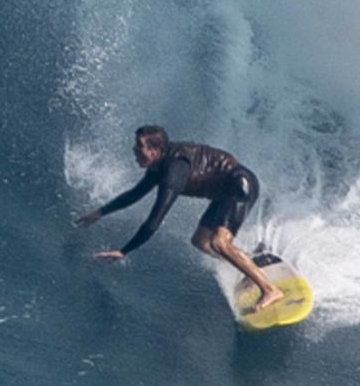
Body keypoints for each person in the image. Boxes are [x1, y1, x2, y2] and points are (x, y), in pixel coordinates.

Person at [77, 127, 277, 310]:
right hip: (225, 192)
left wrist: (124, 250)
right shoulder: (158, 166)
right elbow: (134, 194)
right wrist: (99, 213)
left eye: (139, 146)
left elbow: (155, 218)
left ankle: (269, 290)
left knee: (219, 242)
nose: (134, 150)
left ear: (156, 150)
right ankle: (249, 265)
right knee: (200, 241)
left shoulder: (174, 171)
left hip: (239, 187)